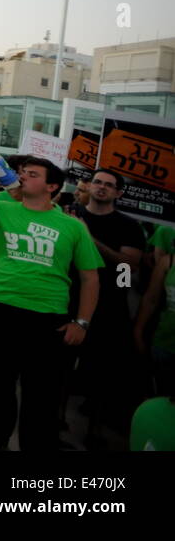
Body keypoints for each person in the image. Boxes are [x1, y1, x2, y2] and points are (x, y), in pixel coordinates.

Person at [0, 157, 104, 452]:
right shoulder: (2, 207)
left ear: (52, 187)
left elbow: (90, 279)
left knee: (41, 392)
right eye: (23, 173)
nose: (23, 177)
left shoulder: (72, 226)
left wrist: (82, 322)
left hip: (48, 318)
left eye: (32, 175)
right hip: (3, 308)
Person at [73, 168, 147, 446]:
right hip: (68, 297)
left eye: (108, 185)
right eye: (97, 182)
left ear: (118, 193)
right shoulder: (71, 214)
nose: (101, 188)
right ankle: (54, 420)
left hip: (109, 306)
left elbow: (129, 264)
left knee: (102, 372)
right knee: (60, 365)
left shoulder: (128, 226)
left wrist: (89, 239)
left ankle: (94, 429)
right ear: (90, 186)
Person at [135, 244, 175, 398]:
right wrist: (138, 331)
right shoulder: (168, 262)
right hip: (164, 343)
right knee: (162, 399)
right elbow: (151, 299)